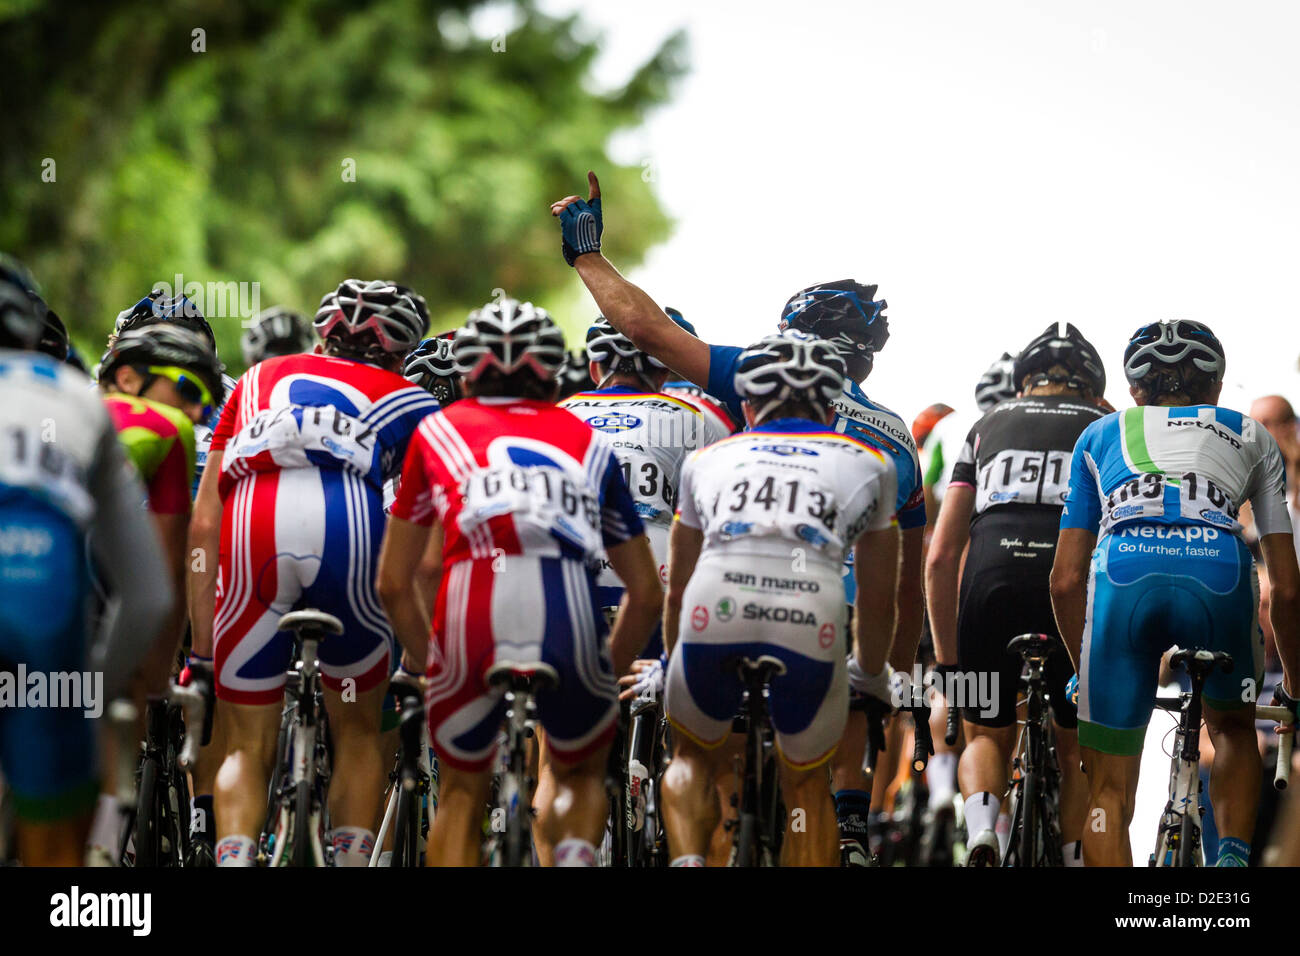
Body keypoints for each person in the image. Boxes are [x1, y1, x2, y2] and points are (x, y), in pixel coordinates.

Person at [549, 173, 925, 865]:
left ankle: (706, 846)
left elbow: (642, 330)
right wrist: (885, 678)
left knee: (706, 756)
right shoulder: (895, 440)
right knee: (804, 781)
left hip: (715, 605)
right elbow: (900, 588)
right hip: (825, 614)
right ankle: (843, 821)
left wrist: (588, 255)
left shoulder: (741, 390)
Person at [375, 296, 662, 866]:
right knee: (574, 775)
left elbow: (401, 578)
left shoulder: (438, 431)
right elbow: (647, 590)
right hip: (566, 615)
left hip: (472, 611)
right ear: (553, 370)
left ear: (469, 368)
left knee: (459, 793)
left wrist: (427, 665)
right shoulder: (587, 438)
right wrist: (603, 676)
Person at [190, 278, 439, 867]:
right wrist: (419, 656)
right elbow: (425, 548)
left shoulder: (254, 380)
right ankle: (350, 859)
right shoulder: (412, 398)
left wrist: (203, 650)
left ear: (323, 335)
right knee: (356, 732)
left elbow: (204, 525)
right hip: (348, 533)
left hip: (254, 528)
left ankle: (233, 856)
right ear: (402, 353)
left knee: (246, 745)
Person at [1050, 319, 1300, 866]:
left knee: (1107, 795)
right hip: (1219, 578)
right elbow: (1284, 588)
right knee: (1233, 728)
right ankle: (1231, 861)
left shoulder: (1098, 434)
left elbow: (1066, 580)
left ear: (1135, 390)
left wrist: (1081, 670)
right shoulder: (1252, 433)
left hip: (1122, 581)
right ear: (1214, 387)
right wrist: (1297, 690)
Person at [659, 331, 900, 866]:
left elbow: (676, 586)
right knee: (807, 784)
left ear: (746, 402)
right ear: (828, 401)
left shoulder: (706, 458)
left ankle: (688, 861)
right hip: (809, 615)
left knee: (692, 757)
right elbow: (881, 600)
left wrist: (668, 662)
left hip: (713, 607)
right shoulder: (870, 461)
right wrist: (872, 673)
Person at [0, 258, 173, 865]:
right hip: (42, 595)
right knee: (56, 846)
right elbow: (149, 594)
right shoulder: (79, 397)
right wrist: (91, 689)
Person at [926, 322, 1107, 866]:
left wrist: (947, 662)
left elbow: (940, 555)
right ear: (1091, 385)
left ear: (1025, 382)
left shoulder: (986, 422)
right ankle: (1075, 856)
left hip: (990, 582)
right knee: (1077, 744)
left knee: (986, 733)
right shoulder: (1105, 424)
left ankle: (982, 826)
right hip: (1069, 588)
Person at [87, 323, 225, 864]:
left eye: (207, 402)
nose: (197, 412)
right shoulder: (168, 426)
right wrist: (161, 673)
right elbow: (167, 569)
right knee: (103, 710)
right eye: (189, 393)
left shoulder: (60, 397)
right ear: (127, 377)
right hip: (100, 575)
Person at [240, 306, 316, 368]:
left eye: (290, 347)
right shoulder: (241, 385)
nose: (284, 358)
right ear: (255, 361)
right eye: (274, 348)